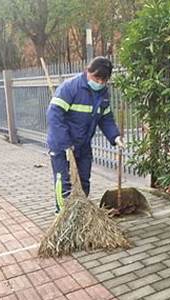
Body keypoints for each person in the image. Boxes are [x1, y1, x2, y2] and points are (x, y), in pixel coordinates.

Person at [46, 56, 123, 213]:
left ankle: (80, 215)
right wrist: (65, 144)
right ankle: (63, 216)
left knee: (83, 182)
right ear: (88, 71)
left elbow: (106, 118)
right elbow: (54, 116)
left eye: (104, 80)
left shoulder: (103, 94)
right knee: (65, 183)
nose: (100, 83)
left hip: (83, 145)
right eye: (97, 78)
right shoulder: (70, 88)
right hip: (62, 146)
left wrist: (115, 136)